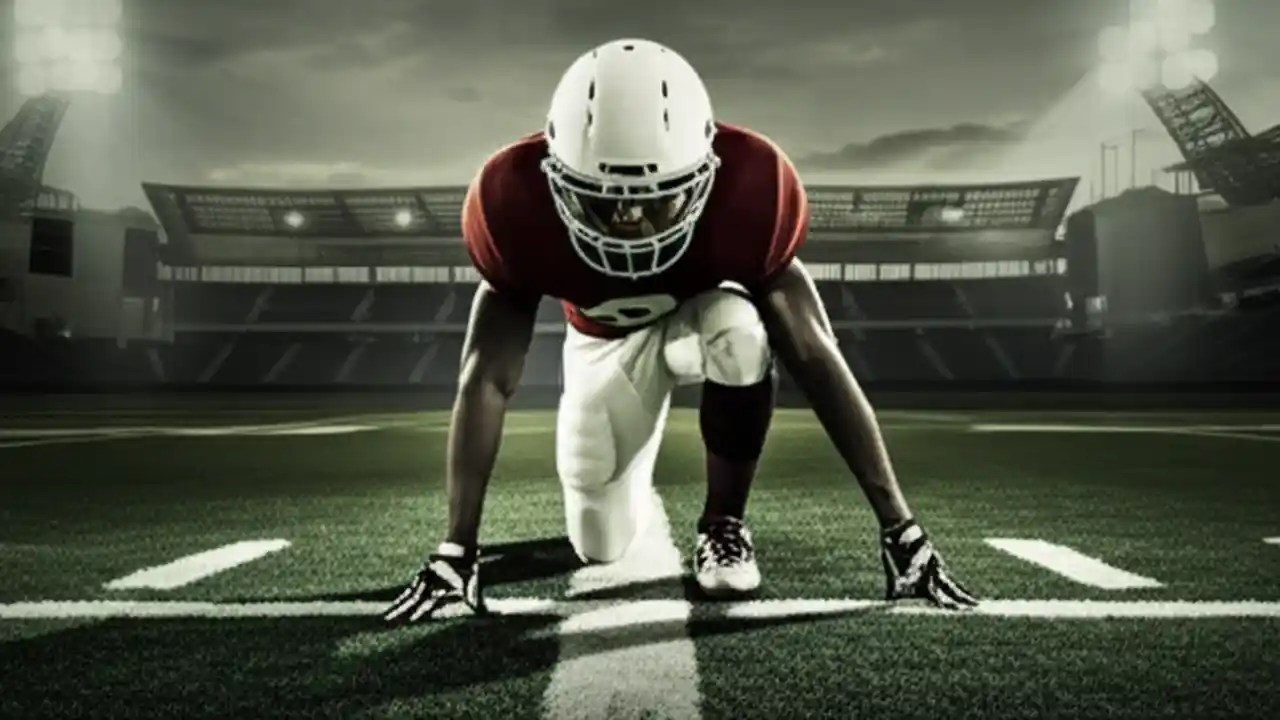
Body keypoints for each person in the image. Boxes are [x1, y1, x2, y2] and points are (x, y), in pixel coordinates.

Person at [384, 38, 977, 624]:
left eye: (653, 198)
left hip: (699, 323)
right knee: (600, 545)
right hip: (603, 350)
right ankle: (621, 475)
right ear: (555, 177)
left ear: (705, 172)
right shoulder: (510, 200)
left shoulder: (756, 186)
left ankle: (724, 525)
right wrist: (456, 550)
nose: (629, 219)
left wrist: (902, 530)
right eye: (602, 200)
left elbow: (816, 357)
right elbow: (485, 379)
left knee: (742, 331)